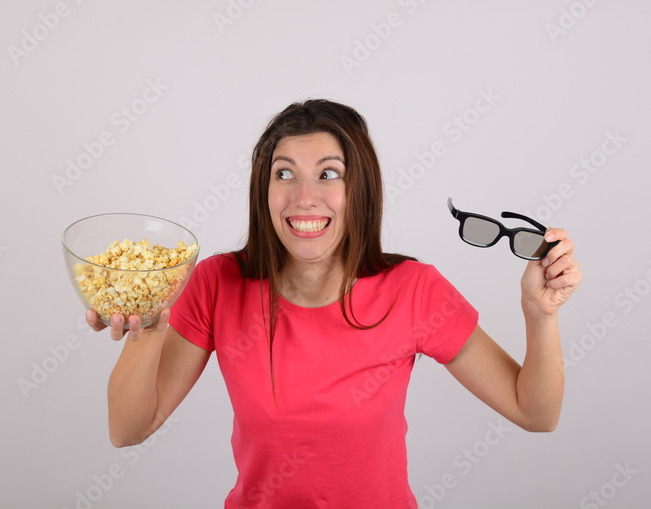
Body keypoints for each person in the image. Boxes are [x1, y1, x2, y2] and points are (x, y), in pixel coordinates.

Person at [87, 99, 582, 508]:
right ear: (263, 191)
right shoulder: (218, 282)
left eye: (328, 174)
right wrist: (147, 329)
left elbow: (535, 413)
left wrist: (540, 316)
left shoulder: (413, 289)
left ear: (359, 189)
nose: (305, 196)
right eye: (284, 174)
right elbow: (127, 430)